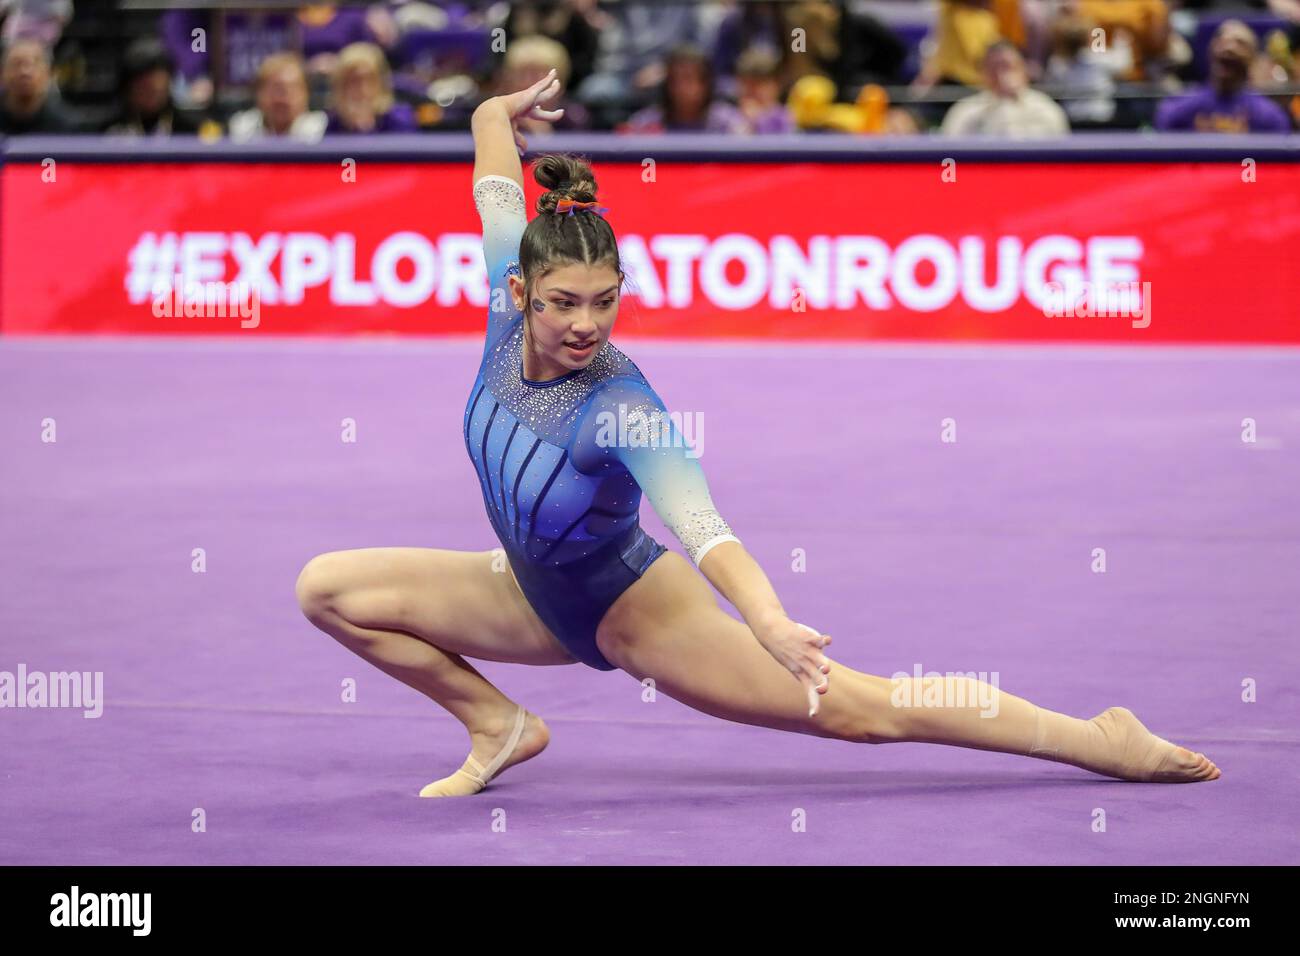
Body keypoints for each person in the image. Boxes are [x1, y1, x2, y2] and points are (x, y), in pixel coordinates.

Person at [296, 69, 1221, 798]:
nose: (586, 324)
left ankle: (1101, 740)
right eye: (563, 304)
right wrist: (498, 105)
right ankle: (499, 725)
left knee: (862, 709)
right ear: (518, 293)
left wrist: (769, 618)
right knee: (328, 589)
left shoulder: (621, 404)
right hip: (524, 587)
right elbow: (492, 165)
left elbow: (701, 524)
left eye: (606, 303)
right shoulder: (506, 304)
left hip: (630, 608)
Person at [1155, 19, 1292, 132]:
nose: (1229, 48)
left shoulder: (1269, 116)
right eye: (1222, 40)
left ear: (1252, 57)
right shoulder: (1178, 107)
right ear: (1210, 50)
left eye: (1240, 43)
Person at [941, 40, 1070, 135]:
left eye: (1008, 67)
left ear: (1023, 70)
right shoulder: (965, 111)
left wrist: (1012, 101)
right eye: (993, 68)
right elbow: (950, 153)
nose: (1001, 75)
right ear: (982, 74)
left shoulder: (1044, 107)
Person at [618, 45, 747, 134]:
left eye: (688, 79)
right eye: (674, 79)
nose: (680, 87)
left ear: (705, 83)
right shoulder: (645, 122)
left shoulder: (728, 121)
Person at [102, 37, 205, 136]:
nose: (153, 91)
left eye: (158, 90)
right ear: (128, 89)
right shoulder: (111, 130)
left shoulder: (190, 128)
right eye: (143, 89)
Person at [227, 53, 328, 142]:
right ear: (258, 93)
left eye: (290, 89)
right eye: (275, 89)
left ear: (306, 93)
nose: (281, 98)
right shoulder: (241, 127)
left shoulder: (323, 128)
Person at [325, 41, 416, 134]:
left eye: (370, 79)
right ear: (341, 86)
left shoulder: (399, 119)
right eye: (354, 81)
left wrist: (368, 128)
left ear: (380, 83)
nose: (363, 89)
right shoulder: (334, 123)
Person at [0, 36, 74, 132]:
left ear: (48, 74)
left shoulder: (68, 127)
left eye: (34, 64)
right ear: (2, 73)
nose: (25, 72)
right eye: (16, 64)